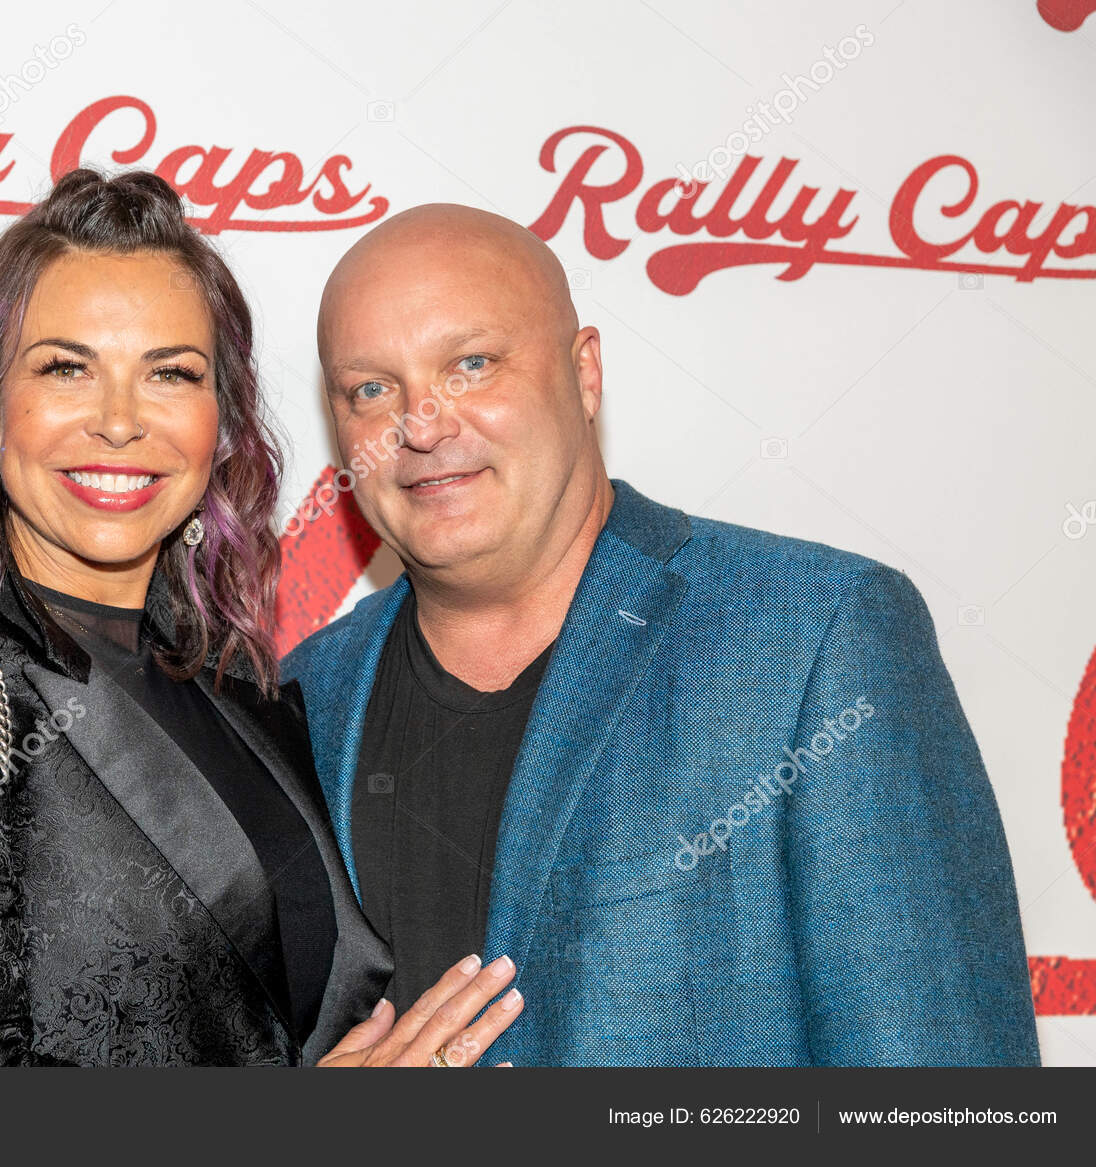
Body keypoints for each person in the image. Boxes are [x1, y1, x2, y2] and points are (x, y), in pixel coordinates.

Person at [0, 172, 523, 1066]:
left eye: (171, 373)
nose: (121, 422)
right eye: (66, 368)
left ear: (221, 424)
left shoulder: (239, 689)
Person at [282, 202, 1041, 1066]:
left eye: (473, 363)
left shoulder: (814, 636)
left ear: (585, 373)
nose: (422, 426)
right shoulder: (303, 697)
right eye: (371, 389)